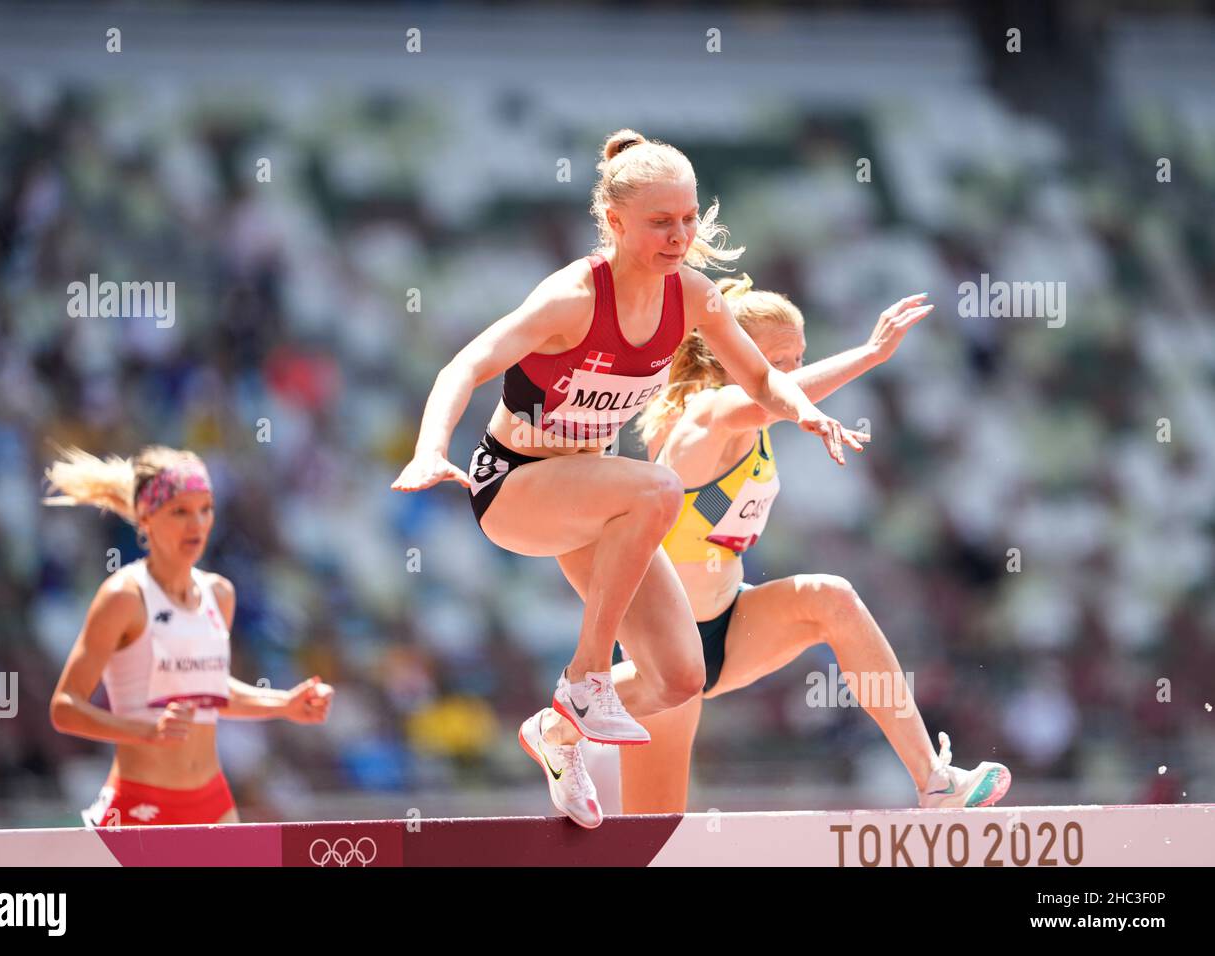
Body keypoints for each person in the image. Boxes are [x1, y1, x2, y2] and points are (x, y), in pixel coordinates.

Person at [391, 129, 867, 828]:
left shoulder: (695, 298)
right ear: (613, 222)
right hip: (516, 484)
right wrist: (429, 448)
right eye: (660, 222)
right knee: (659, 490)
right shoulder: (573, 298)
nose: (679, 236)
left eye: (687, 219)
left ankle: (556, 731)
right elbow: (462, 366)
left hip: (593, 496)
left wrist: (804, 414)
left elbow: (762, 377)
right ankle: (584, 677)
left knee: (681, 679)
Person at [605, 275, 1011, 812]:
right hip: (664, 648)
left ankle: (935, 781)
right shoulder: (707, 414)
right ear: (734, 356)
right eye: (781, 361)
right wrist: (870, 354)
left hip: (726, 627)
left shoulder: (746, 424)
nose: (794, 374)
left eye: (800, 357)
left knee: (831, 596)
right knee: (650, 834)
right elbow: (766, 401)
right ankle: (566, 716)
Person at [45, 445, 334, 826]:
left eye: (205, 509)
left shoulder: (219, 594)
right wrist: (146, 730)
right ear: (146, 518)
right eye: (180, 511)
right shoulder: (123, 597)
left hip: (212, 803)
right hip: (140, 810)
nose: (196, 524)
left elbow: (209, 691)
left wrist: (283, 704)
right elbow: (64, 707)